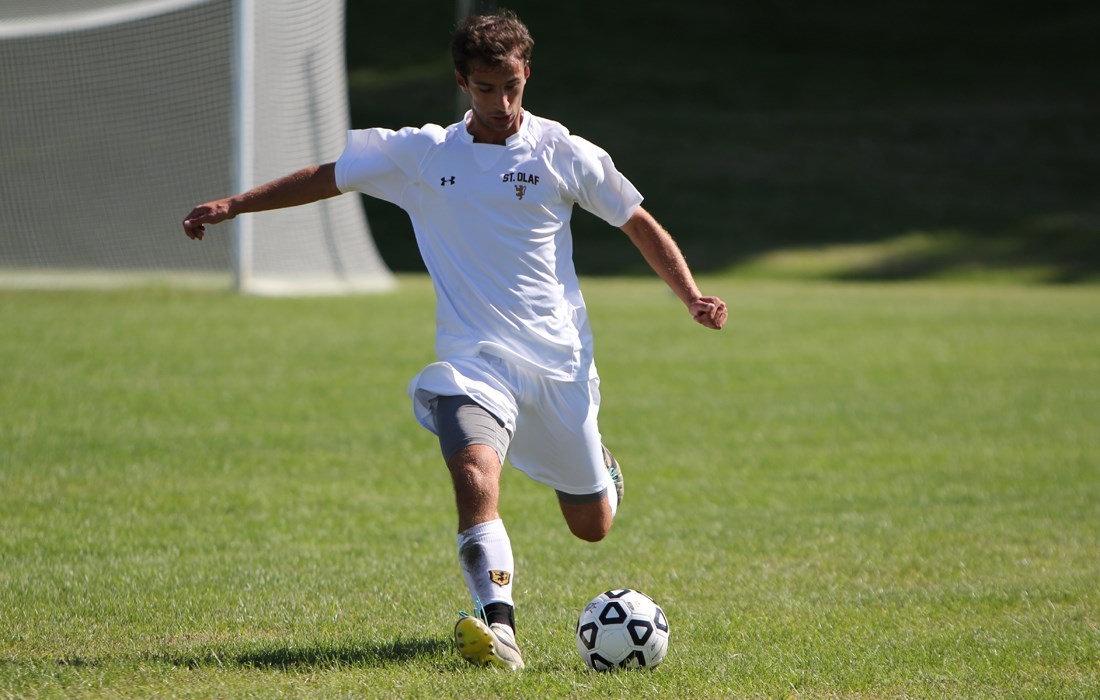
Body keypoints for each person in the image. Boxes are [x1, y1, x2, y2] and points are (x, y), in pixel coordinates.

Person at [182, 10, 727, 671]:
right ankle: (501, 629)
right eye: (487, 88)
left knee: (592, 527)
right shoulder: (424, 154)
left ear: (528, 74)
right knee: (472, 472)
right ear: (462, 82)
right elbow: (328, 177)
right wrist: (235, 205)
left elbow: (636, 221)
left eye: (513, 87)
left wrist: (690, 293)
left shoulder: (563, 152)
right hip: (474, 362)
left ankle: (600, 470)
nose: (503, 103)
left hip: (560, 365)